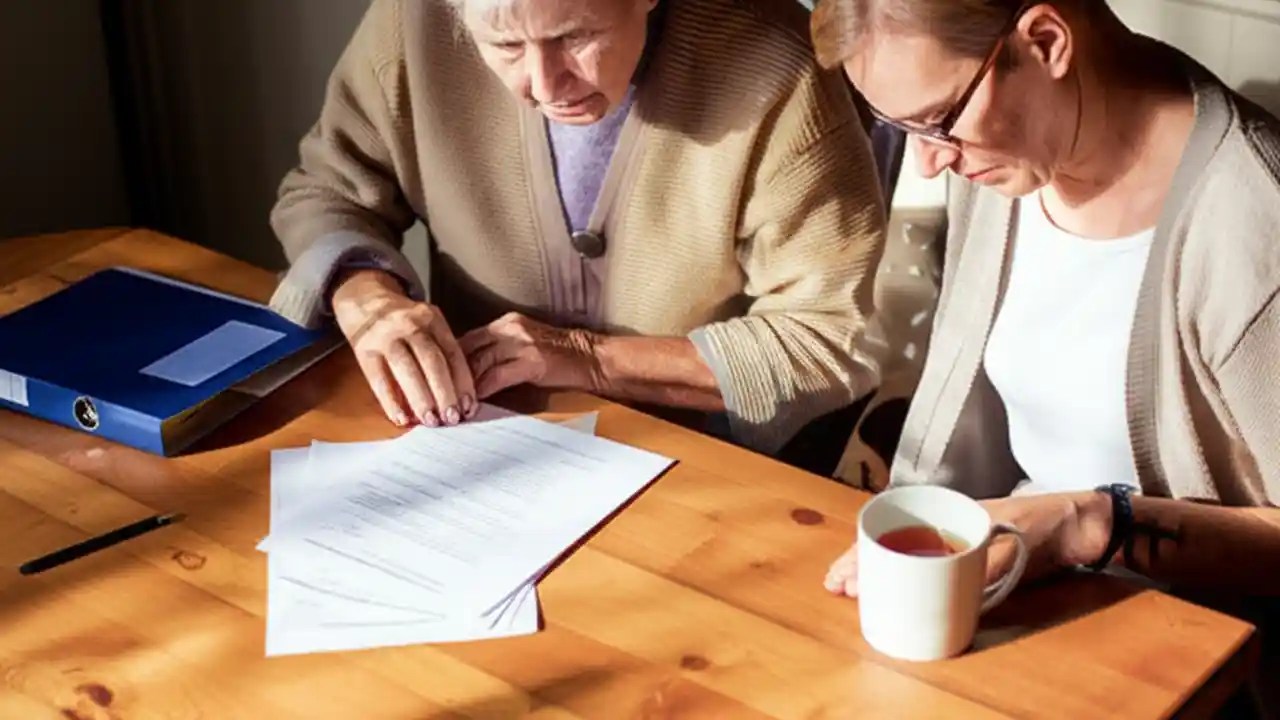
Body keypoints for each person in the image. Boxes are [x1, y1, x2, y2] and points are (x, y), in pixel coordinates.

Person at [813, 0, 1280, 645]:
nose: (927, 162)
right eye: (900, 127)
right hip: (1026, 601)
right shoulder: (1005, 162)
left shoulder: (1252, 223)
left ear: (1048, 41)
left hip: (1195, 647)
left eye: (938, 119)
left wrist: (1089, 524)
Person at [266, 0, 886, 455]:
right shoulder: (413, 23)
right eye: (506, 47)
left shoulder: (778, 70)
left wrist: (591, 360)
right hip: (463, 441)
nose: (543, 86)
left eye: (575, 36)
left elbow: (832, 339)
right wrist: (368, 297)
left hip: (690, 456)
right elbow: (327, 191)